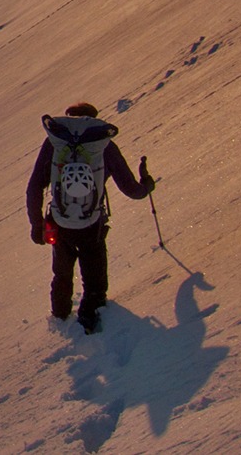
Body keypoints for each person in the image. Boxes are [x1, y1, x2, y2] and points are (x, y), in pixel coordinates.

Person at [25, 102, 156, 332]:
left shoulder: (55, 143)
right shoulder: (103, 144)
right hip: (91, 224)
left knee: (62, 274)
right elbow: (130, 189)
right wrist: (146, 186)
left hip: (59, 222)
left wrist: (37, 225)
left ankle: (60, 318)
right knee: (94, 280)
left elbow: (35, 186)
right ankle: (89, 323)